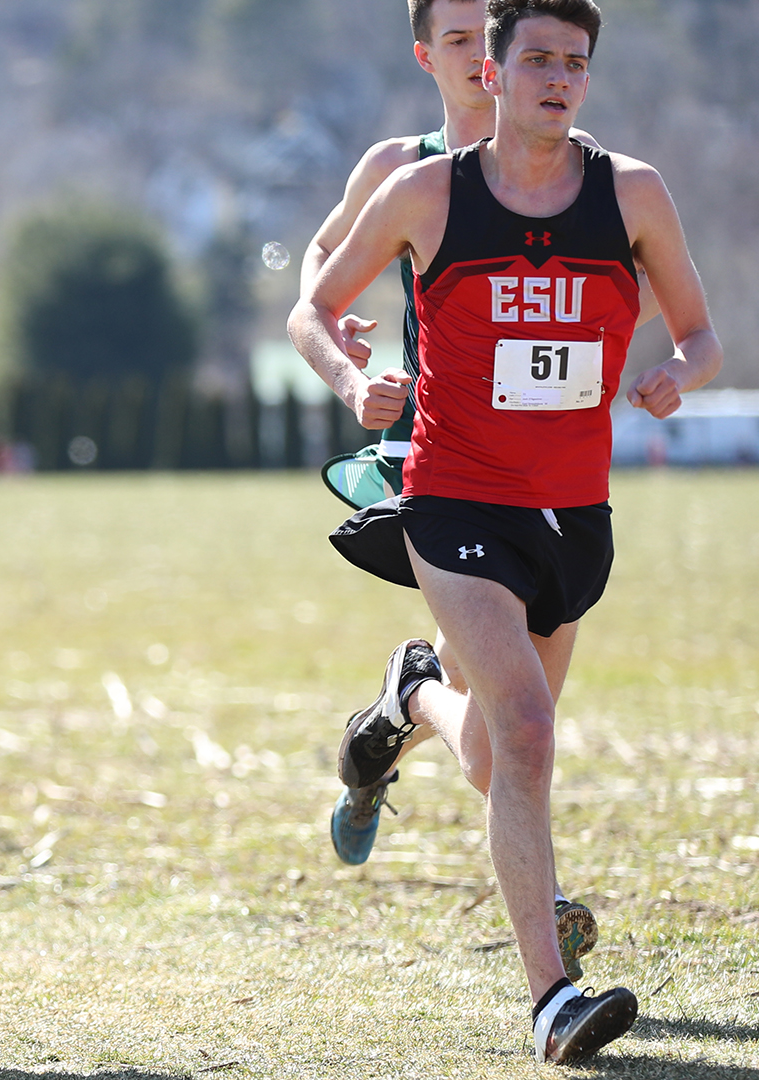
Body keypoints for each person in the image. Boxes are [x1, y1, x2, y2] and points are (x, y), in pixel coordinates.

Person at [288, 0, 719, 1062]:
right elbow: (310, 304)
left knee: (494, 749)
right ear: (494, 69)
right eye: (535, 58)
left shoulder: (634, 194)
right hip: (457, 500)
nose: (555, 78)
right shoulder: (427, 190)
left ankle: (411, 695)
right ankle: (552, 1002)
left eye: (575, 62)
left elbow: (702, 332)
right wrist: (353, 377)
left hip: (574, 515)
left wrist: (675, 373)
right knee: (527, 734)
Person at [303, 0, 622, 983]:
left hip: (555, 477)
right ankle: (547, 911)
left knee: (499, 707)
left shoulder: (582, 169)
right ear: (432, 56)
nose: (483, 61)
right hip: (439, 462)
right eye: (457, 40)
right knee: (515, 723)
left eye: (493, 36)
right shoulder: (401, 171)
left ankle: (400, 712)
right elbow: (319, 271)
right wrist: (352, 361)